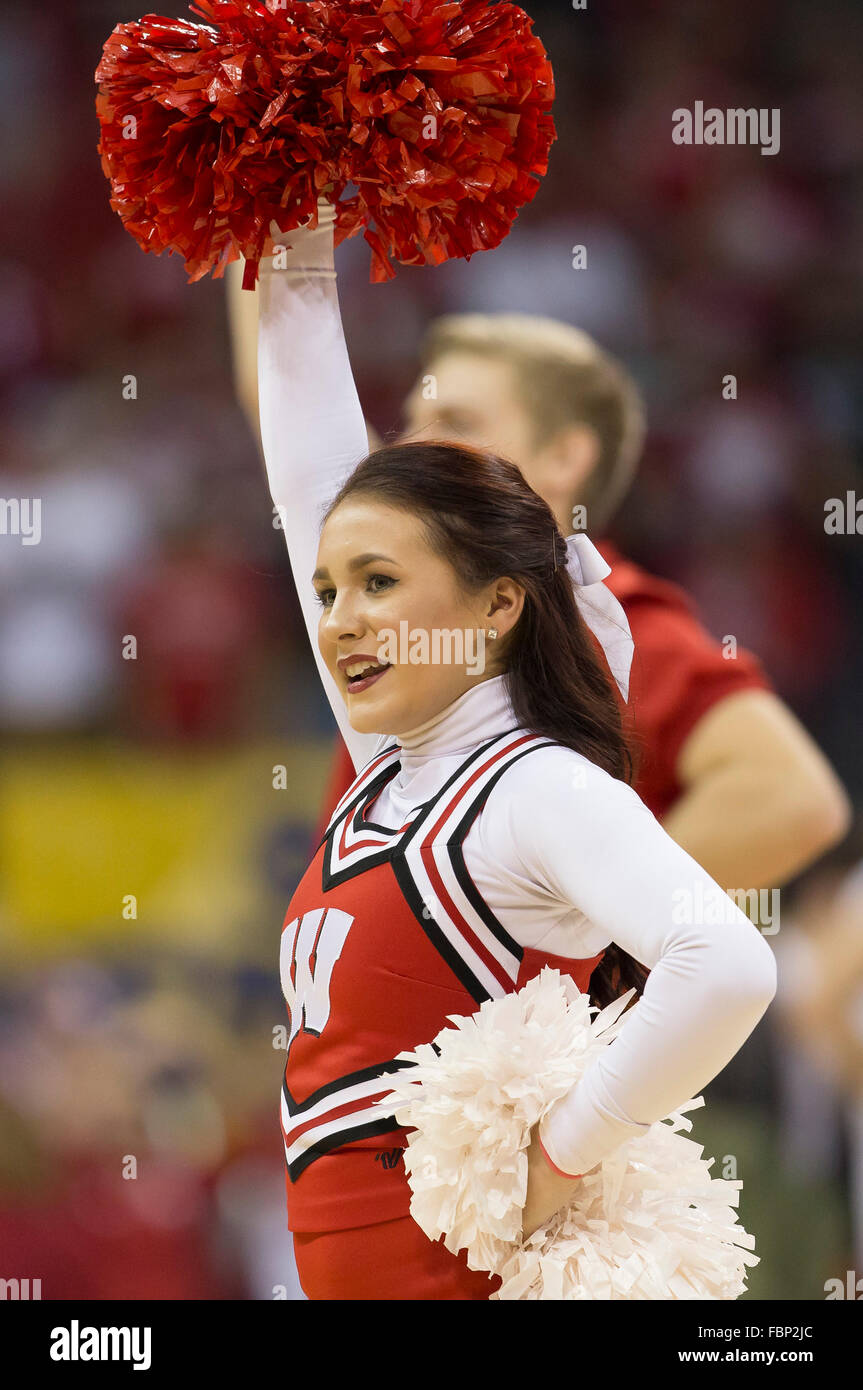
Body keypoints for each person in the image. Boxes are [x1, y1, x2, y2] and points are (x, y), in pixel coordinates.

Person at [251, 199, 777, 1300]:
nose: (339, 617)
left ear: (496, 606)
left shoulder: (531, 787)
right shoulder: (396, 769)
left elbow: (724, 963)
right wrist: (294, 252)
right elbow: (307, 486)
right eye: (328, 589)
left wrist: (558, 1157)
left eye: (380, 583)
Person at [227, 269, 851, 891]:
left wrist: (580, 938)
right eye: (412, 421)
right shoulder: (393, 557)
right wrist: (262, 206)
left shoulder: (607, 618)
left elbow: (793, 799)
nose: (415, 445)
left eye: (456, 420)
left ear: (564, 457)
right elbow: (291, 404)